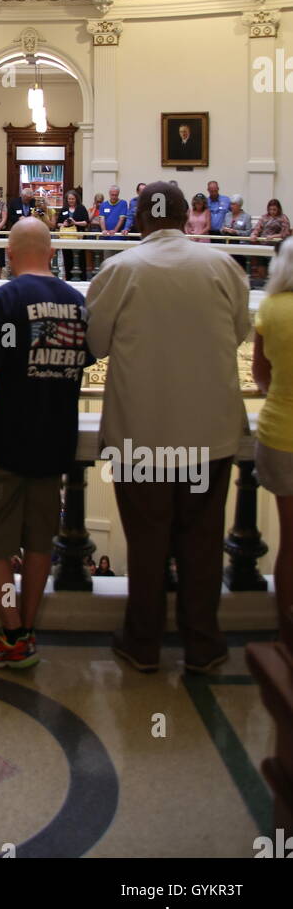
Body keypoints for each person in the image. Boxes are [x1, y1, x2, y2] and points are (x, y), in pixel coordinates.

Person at [86, 182, 250, 673]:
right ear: (185, 216)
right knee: (202, 541)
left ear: (139, 218)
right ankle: (204, 644)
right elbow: (239, 331)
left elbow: (95, 343)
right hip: (211, 433)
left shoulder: (120, 270)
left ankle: (143, 643)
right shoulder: (222, 265)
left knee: (148, 540)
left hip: (143, 435)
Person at [0, 218, 91, 669]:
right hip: (55, 445)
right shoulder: (77, 302)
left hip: (5, 446)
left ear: (9, 256)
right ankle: (27, 627)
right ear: (52, 252)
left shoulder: (4, 298)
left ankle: (13, 631)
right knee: (40, 543)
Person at [251, 238, 293, 649]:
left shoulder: (272, 309)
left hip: (281, 433)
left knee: (290, 544)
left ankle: (286, 636)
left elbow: (261, 377)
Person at [57, 189, 89, 280]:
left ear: (76, 199)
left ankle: (82, 279)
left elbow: (86, 222)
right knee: (67, 259)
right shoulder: (64, 209)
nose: (71, 201)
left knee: (80, 259)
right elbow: (58, 223)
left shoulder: (81, 208)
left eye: (72, 199)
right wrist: (64, 224)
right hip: (66, 238)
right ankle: (69, 278)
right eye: (69, 199)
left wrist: (75, 223)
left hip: (79, 237)